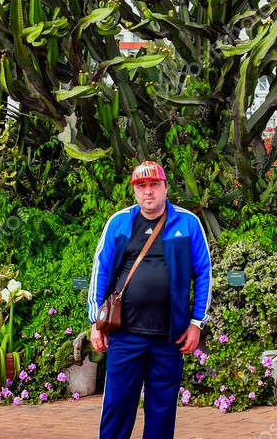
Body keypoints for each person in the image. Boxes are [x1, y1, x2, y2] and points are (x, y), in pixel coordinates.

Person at [88, 160, 213, 439]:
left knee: (162, 411)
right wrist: (95, 322)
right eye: (141, 186)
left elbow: (204, 273)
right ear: (134, 191)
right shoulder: (119, 223)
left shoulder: (188, 223)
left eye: (154, 185)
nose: (148, 192)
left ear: (165, 188)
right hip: (124, 334)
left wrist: (196, 323)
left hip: (170, 337)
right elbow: (101, 270)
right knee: (117, 407)